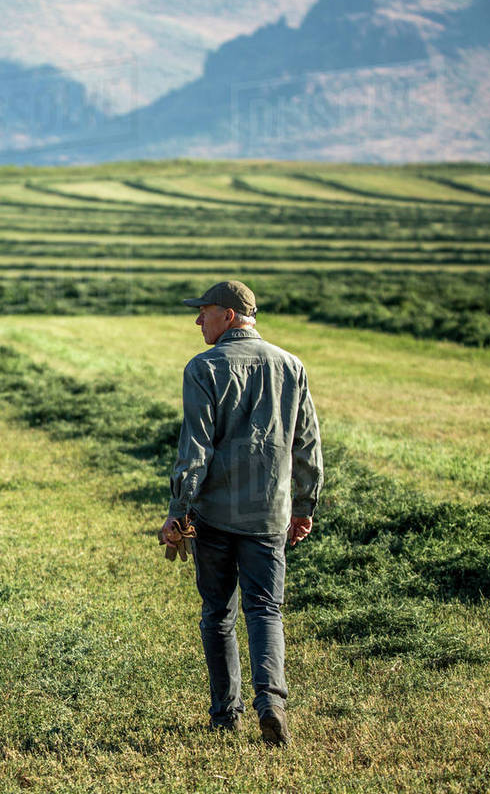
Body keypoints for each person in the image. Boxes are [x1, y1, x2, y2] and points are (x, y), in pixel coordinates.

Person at [159, 280, 323, 747]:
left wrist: (178, 510)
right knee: (266, 610)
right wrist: (304, 505)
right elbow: (307, 444)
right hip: (269, 514)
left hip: (212, 514)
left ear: (228, 315)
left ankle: (225, 713)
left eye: (204, 311)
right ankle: (271, 703)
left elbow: (194, 450)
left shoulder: (203, 368)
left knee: (217, 613)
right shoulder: (292, 366)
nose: (197, 320)